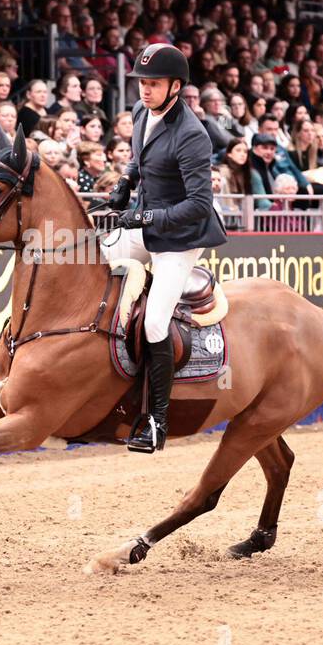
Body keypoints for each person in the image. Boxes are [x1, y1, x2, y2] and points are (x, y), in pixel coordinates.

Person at [101, 43, 228, 453]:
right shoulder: (141, 113)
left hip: (179, 240)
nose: (145, 91)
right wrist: (124, 185)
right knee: (93, 260)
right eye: (142, 83)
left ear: (176, 86)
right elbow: (139, 159)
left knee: (156, 321)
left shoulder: (192, 135)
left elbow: (199, 205)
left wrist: (147, 218)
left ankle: (157, 422)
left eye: (153, 84)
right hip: (145, 223)